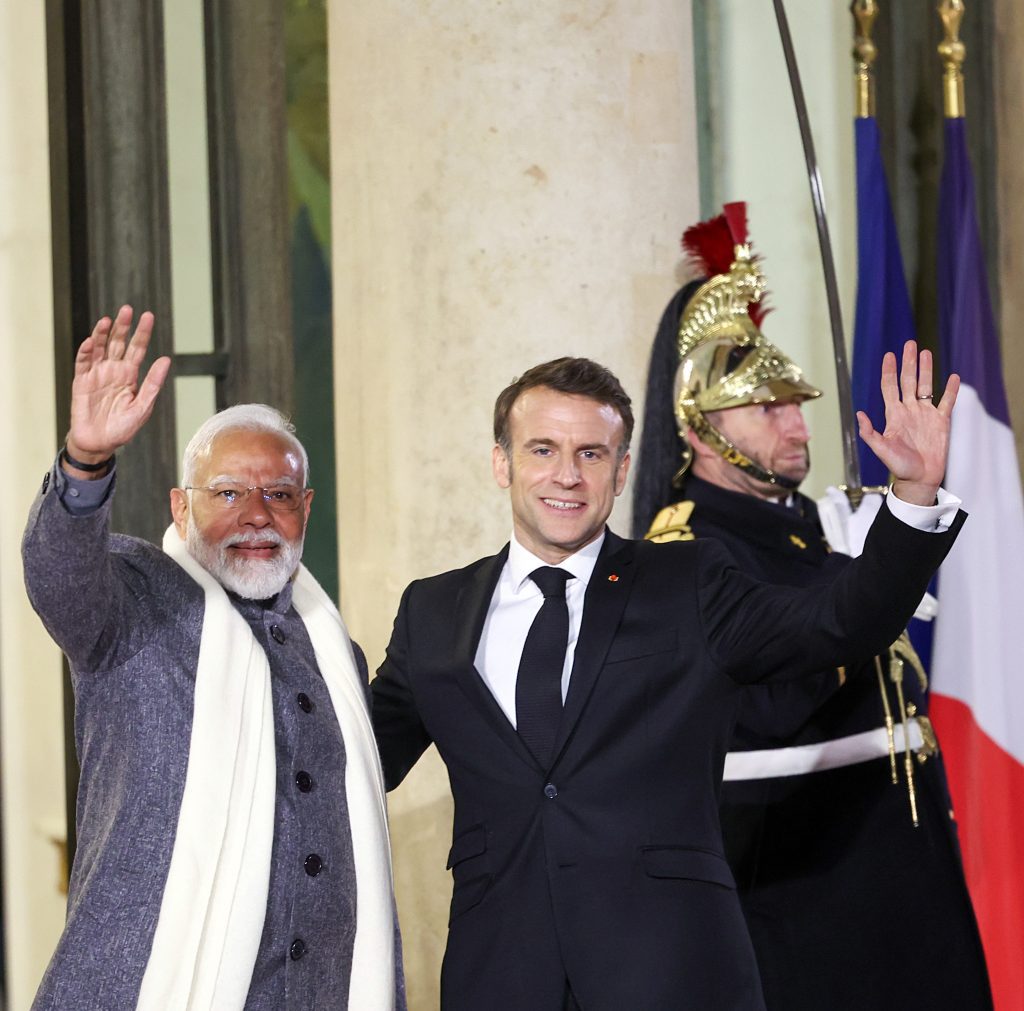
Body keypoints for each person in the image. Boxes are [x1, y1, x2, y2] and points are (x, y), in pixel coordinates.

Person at [371, 326, 964, 1008]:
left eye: (591, 453)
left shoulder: (690, 580)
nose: (568, 475)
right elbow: (356, 763)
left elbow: (838, 623)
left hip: (673, 973)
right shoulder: (432, 610)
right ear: (501, 462)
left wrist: (914, 493)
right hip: (500, 975)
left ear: (621, 470)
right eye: (543, 449)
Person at [632, 204, 992, 1010]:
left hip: (899, 876)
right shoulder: (686, 551)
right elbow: (798, 669)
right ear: (698, 425)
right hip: (805, 898)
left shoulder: (803, 527)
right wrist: (892, 533)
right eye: (768, 408)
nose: (797, 424)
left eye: (796, 403)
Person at [23, 306, 404, 1010]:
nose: (256, 515)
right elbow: (58, 577)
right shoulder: (136, 603)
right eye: (227, 492)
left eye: (278, 495)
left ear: (306, 510)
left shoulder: (335, 652)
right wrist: (85, 461)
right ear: (180, 505)